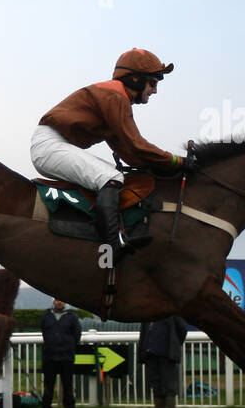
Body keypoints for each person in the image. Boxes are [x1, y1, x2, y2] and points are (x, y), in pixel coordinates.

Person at [31, 49, 194, 264]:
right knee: (112, 178)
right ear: (135, 79)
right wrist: (177, 161)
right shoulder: (115, 97)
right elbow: (137, 145)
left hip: (55, 144)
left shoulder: (113, 97)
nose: (154, 91)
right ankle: (112, 246)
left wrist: (158, 167)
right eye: (153, 83)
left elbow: (129, 151)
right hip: (49, 146)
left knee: (117, 176)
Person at [39, 299, 82, 408]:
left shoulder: (72, 316)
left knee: (68, 384)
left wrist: (68, 345)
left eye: (62, 300)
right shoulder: (46, 315)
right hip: (50, 356)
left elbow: (77, 334)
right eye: (57, 300)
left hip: (66, 356)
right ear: (53, 301)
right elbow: (44, 332)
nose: (59, 302)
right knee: (48, 384)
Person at [139, 315, 189, 408]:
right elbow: (144, 333)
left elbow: (182, 330)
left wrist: (175, 344)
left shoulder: (172, 313)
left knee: (169, 385)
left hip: (167, 356)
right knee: (155, 384)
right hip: (150, 355)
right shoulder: (147, 313)